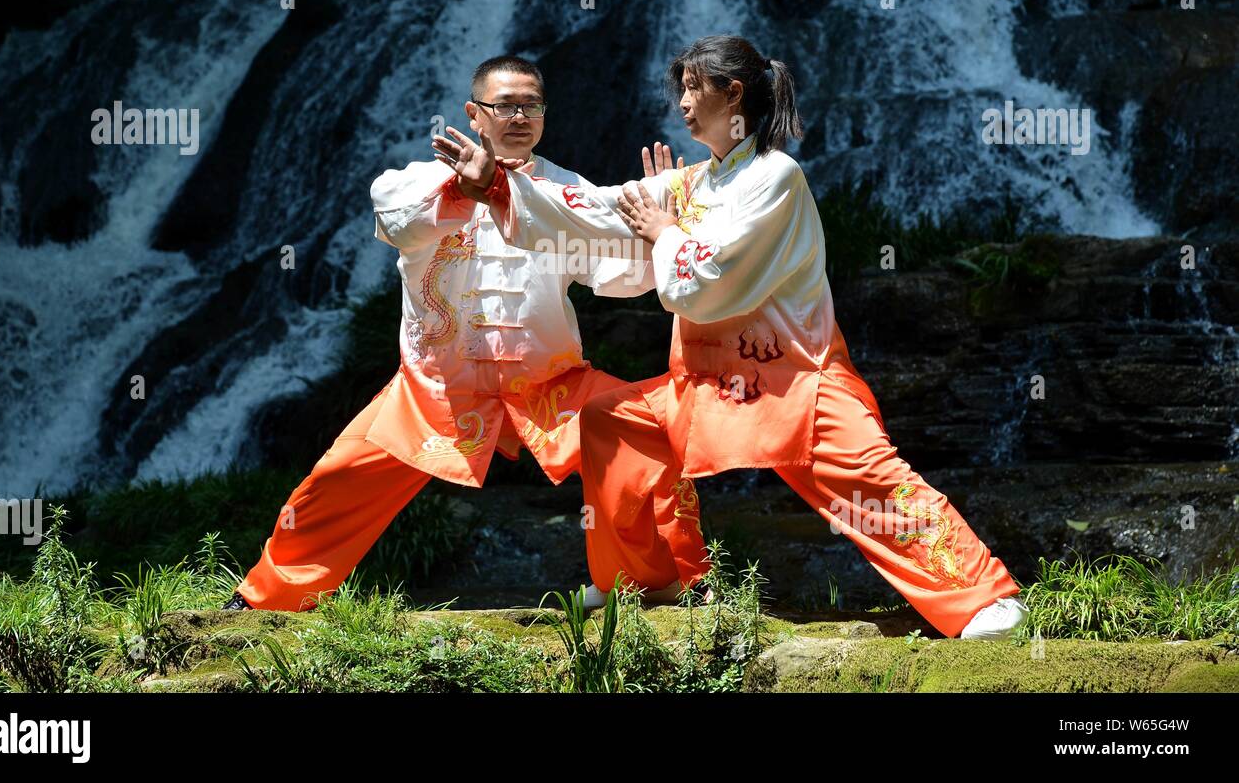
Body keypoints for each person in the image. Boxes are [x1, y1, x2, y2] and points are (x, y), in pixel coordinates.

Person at [434, 36, 1029, 639]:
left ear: (734, 93)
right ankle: (650, 578)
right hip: (705, 386)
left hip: (792, 379)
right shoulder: (693, 183)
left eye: (695, 87)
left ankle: (982, 598)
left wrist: (664, 234)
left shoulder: (776, 176)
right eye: (683, 89)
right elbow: (597, 209)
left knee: (869, 484)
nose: (684, 102)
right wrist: (502, 187)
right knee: (612, 418)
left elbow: (708, 283)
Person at [226, 55, 709, 612]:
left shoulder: (567, 189)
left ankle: (672, 588)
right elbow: (390, 214)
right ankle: (269, 596)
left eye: (531, 106)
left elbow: (621, 276)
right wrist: (471, 187)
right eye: (505, 106)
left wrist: (652, 219)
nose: (519, 117)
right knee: (341, 479)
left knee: (645, 443)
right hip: (439, 387)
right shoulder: (422, 181)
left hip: (547, 382)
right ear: (474, 114)